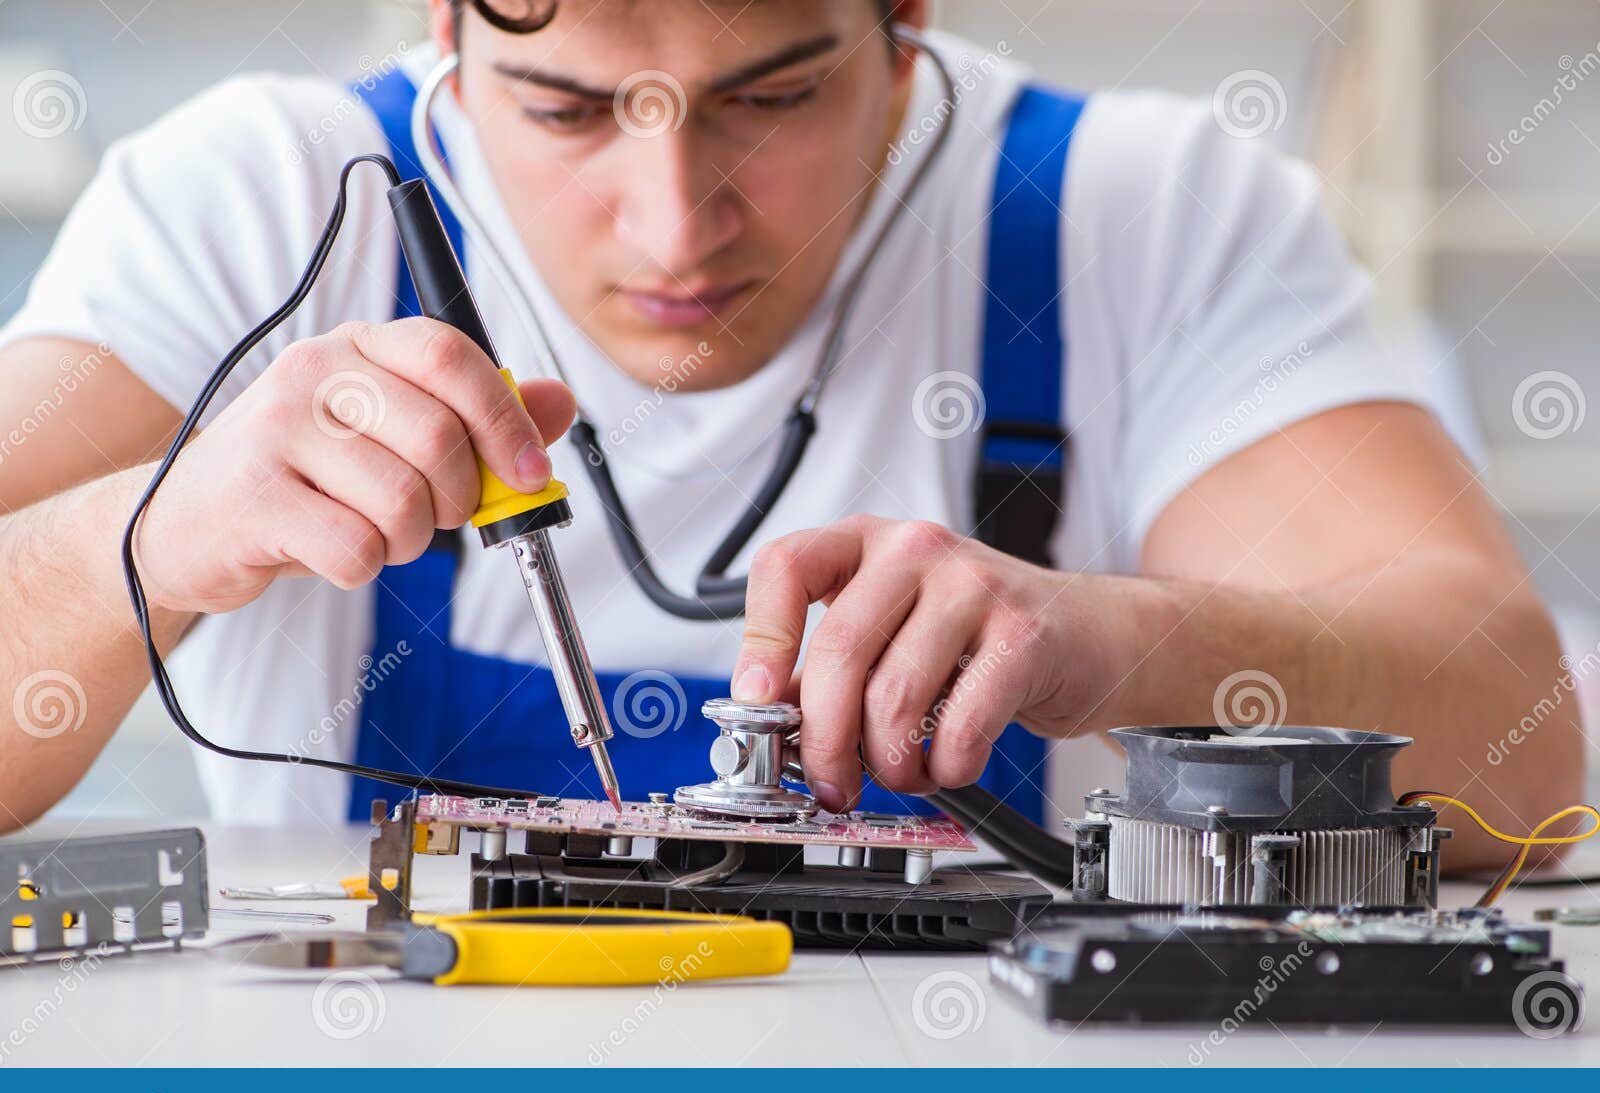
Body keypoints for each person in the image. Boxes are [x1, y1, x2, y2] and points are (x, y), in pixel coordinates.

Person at [0, 0, 1577, 866]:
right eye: (563, 109)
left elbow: (1521, 741)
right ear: (446, 36)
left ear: (906, 26)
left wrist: (1116, 637)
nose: (675, 224)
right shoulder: (250, 206)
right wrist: (145, 539)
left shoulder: (1142, 210)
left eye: (773, 97)